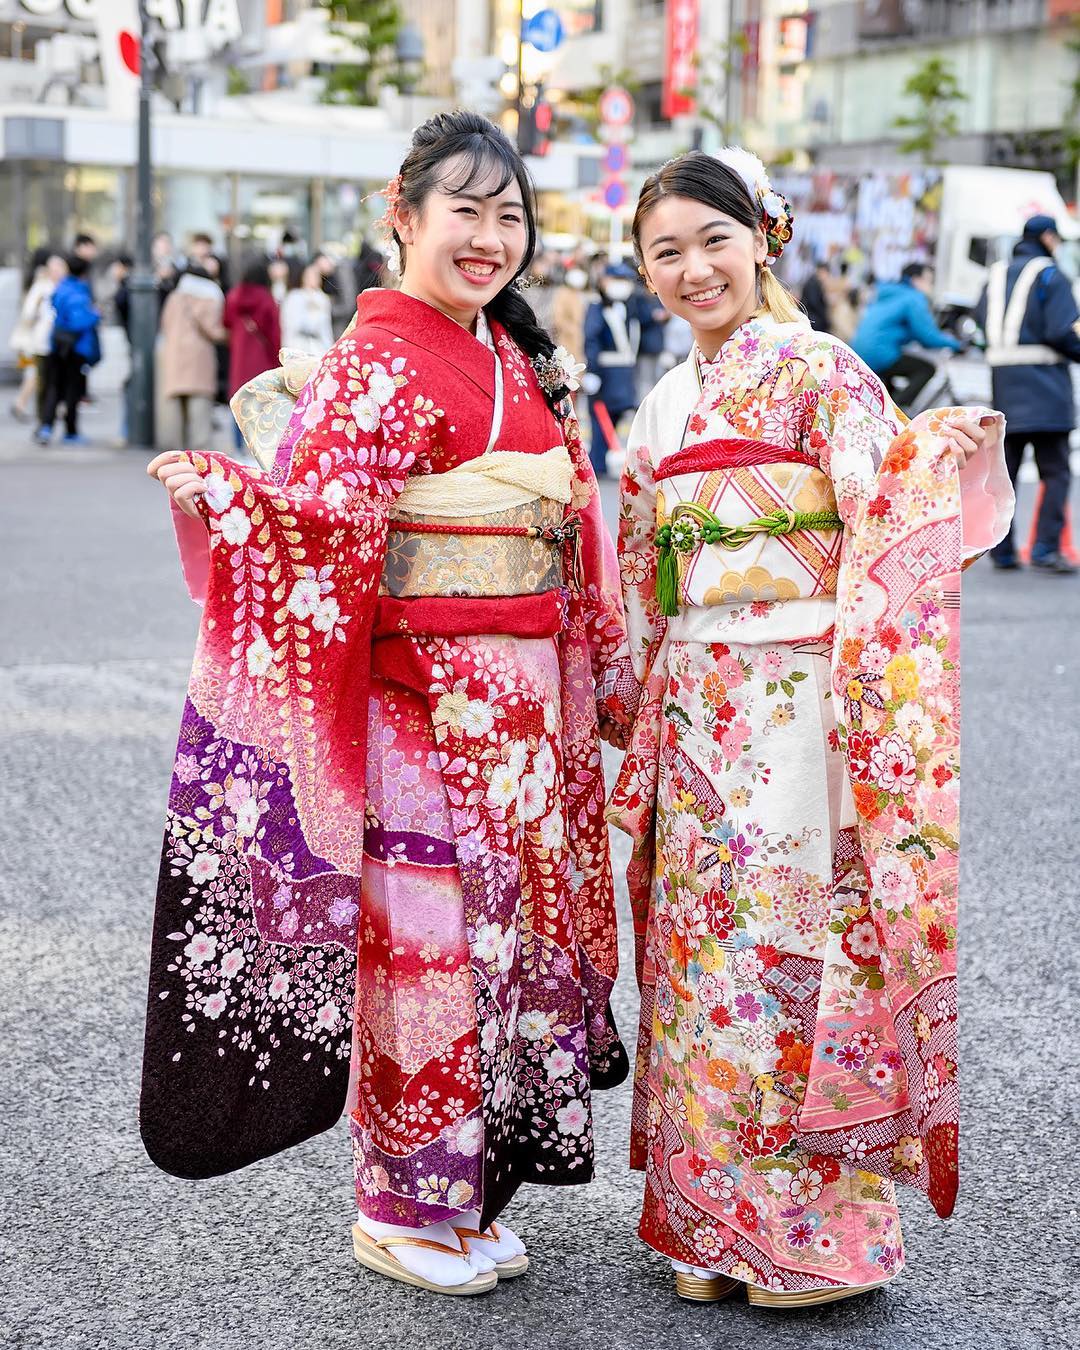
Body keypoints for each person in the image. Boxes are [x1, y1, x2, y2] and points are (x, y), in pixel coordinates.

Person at [142, 110, 628, 1298]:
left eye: (507, 215)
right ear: (399, 216)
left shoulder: (519, 361)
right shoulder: (375, 363)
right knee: (425, 948)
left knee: (501, 945)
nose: (487, 236)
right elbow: (318, 523)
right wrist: (238, 503)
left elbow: (571, 531)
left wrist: (603, 667)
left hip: (518, 719)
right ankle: (400, 1196)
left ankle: (466, 1191)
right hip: (416, 710)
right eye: (461, 209)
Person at [602, 148, 1012, 1308]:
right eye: (664, 253)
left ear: (762, 238)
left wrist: (944, 455)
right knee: (698, 960)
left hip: (801, 699)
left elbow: (887, 516)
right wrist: (627, 693)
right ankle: (705, 1220)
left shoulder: (823, 370)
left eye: (711, 241)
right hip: (696, 704)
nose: (692, 270)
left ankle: (807, 1235)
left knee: (791, 951)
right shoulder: (666, 402)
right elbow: (644, 567)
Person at [975, 213, 1080, 574]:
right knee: (1055, 471)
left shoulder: (996, 274)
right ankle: (1045, 549)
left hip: (1004, 388)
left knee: (1006, 472)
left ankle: (1001, 550)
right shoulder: (1051, 275)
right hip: (1047, 388)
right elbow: (1062, 330)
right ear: (1048, 238)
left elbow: (979, 324)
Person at [850, 261, 963, 408]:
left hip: (860, 350)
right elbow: (927, 336)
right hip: (879, 353)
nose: (931, 286)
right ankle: (898, 411)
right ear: (916, 279)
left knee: (890, 384)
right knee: (926, 369)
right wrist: (956, 344)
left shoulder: (889, 292)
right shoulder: (913, 298)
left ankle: (889, 409)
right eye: (929, 280)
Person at [157, 263, 226, 453]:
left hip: (173, 358)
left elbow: (164, 325)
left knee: (174, 413)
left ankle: (174, 456)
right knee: (199, 414)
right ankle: (199, 457)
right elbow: (213, 331)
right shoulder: (209, 298)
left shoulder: (174, 298)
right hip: (199, 360)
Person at [583, 261, 641, 478]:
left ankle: (601, 461)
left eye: (624, 281)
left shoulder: (629, 306)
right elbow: (592, 340)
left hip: (624, 374)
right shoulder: (597, 306)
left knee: (615, 416)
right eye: (617, 280)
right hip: (605, 373)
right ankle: (596, 465)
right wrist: (592, 372)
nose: (622, 285)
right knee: (599, 420)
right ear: (605, 281)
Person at [35, 254, 100, 446]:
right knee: (72, 390)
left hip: (57, 345)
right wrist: (95, 315)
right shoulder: (79, 292)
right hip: (75, 349)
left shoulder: (61, 288)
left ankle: (46, 426)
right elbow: (78, 321)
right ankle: (70, 432)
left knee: (53, 387)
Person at [223, 258, 281, 445]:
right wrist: (276, 359)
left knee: (237, 399)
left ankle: (237, 445)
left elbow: (226, 322)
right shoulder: (266, 299)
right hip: (262, 359)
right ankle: (254, 448)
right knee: (259, 405)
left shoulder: (233, 296)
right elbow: (273, 334)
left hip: (239, 356)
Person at [8, 248, 65, 423]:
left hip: (42, 341)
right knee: (35, 375)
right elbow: (29, 312)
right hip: (35, 342)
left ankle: (34, 407)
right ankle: (23, 405)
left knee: (37, 375)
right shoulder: (41, 286)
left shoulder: (54, 286)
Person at [280, 261, 335, 356]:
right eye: (310, 275)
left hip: (318, 346)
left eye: (316, 275)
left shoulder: (322, 298)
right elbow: (288, 324)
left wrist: (330, 349)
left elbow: (326, 327)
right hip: (298, 345)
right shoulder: (294, 296)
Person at [799, 258, 831, 332]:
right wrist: (824, 317)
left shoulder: (815, 282)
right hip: (811, 318)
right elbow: (814, 303)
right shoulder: (813, 284)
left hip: (811, 316)